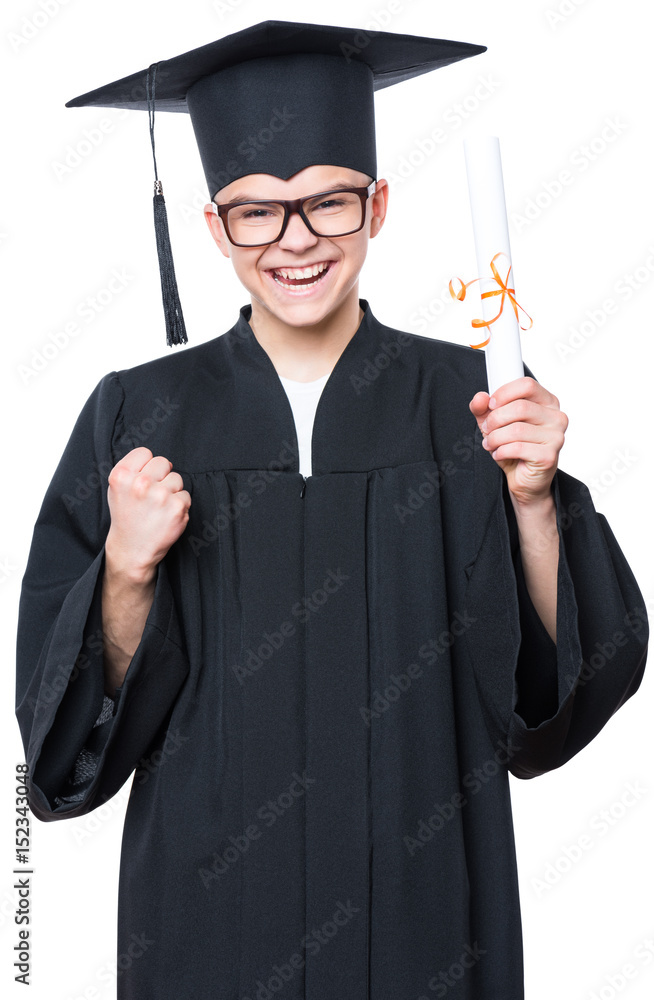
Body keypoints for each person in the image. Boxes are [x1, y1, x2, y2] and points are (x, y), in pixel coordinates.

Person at [15, 19, 648, 1000]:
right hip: (205, 931)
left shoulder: (468, 400)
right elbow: (63, 754)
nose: (295, 239)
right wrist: (128, 568)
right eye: (259, 213)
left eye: (326, 203)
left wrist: (531, 499)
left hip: (425, 916)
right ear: (217, 227)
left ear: (377, 205)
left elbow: (545, 705)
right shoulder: (139, 414)